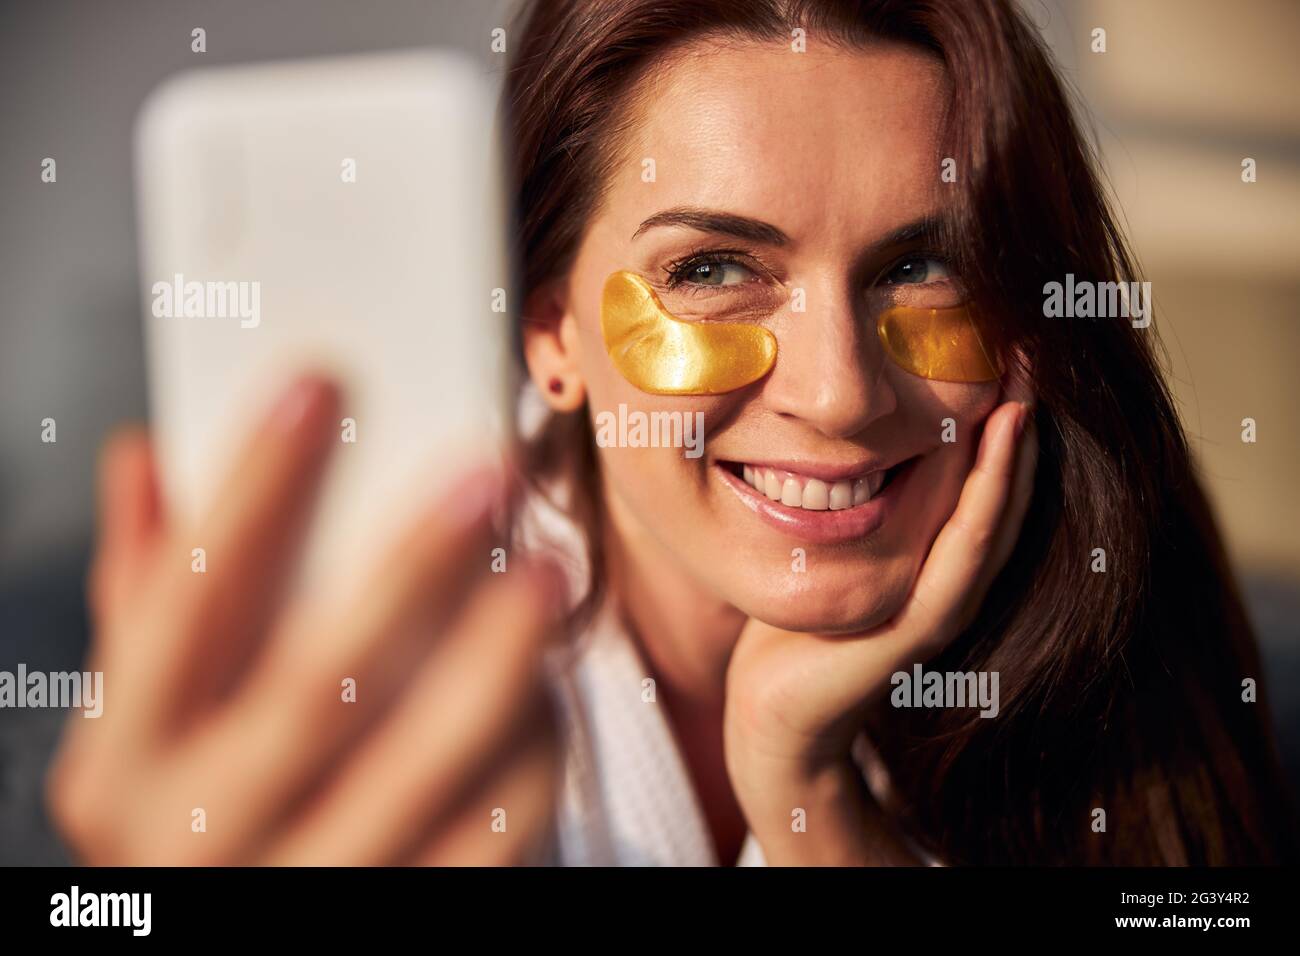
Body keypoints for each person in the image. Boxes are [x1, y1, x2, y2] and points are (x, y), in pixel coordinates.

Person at [47, 0, 1297, 866]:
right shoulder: (357, 707)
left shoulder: (1136, 668)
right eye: (711, 269)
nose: (841, 390)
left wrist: (806, 801)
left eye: (920, 264)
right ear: (549, 334)